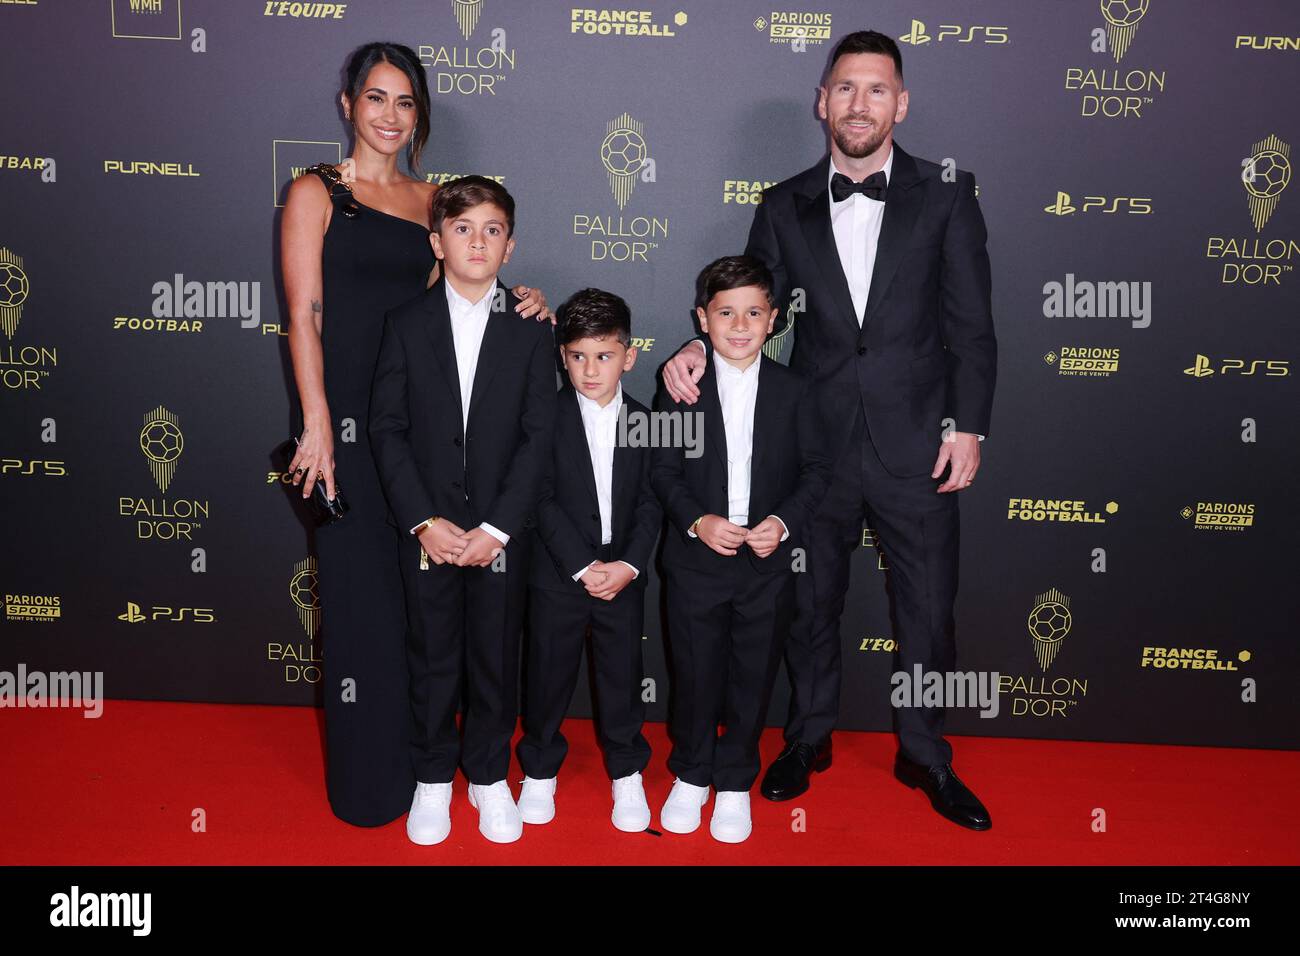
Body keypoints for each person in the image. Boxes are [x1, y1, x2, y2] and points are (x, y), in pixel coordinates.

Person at [660, 31, 998, 830]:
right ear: (822, 101)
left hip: (918, 441)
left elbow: (973, 328)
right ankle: (806, 739)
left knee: (926, 610)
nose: (858, 104)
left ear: (901, 103)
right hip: (812, 451)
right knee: (809, 606)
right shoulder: (783, 204)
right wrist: (693, 344)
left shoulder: (948, 194)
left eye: (876, 89)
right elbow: (746, 306)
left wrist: (970, 426)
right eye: (845, 88)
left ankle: (925, 753)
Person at [281, 42, 550, 828]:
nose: (390, 116)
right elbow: (304, 315)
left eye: (405, 103)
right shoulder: (316, 192)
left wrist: (520, 300)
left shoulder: (434, 201)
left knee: (421, 608)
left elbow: (460, 298)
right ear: (348, 106)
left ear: (419, 114)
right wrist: (318, 424)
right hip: (340, 430)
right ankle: (371, 783)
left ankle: (428, 769)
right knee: (363, 606)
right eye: (376, 99)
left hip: (414, 434)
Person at [369, 175, 557, 846]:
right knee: (431, 655)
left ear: (510, 248)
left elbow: (541, 435)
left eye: (493, 230)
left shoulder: (534, 328)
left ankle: (486, 774)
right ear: (436, 241)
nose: (478, 241)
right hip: (429, 532)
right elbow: (386, 428)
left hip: (502, 533)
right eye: (462, 228)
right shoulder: (406, 322)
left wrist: (500, 527)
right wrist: (422, 519)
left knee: (494, 658)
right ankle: (431, 776)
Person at [651, 256, 830, 843]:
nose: (739, 325)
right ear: (702, 319)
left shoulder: (796, 391)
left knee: (753, 675)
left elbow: (815, 470)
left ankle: (733, 783)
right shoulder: (680, 385)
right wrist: (696, 521)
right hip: (695, 562)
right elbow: (663, 471)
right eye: (725, 313)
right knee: (696, 673)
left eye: (754, 313)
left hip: (767, 564)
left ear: (774, 320)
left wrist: (782, 522)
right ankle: (691, 773)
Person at [515, 289, 662, 833]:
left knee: (622, 675)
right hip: (558, 574)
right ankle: (538, 770)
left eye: (603, 355)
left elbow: (652, 501)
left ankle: (626, 772)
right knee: (547, 675)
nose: (590, 369)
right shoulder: (543, 419)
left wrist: (627, 564)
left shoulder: (647, 421)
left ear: (629, 355)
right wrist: (579, 565)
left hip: (623, 574)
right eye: (577, 356)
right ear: (561, 355)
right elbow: (539, 497)